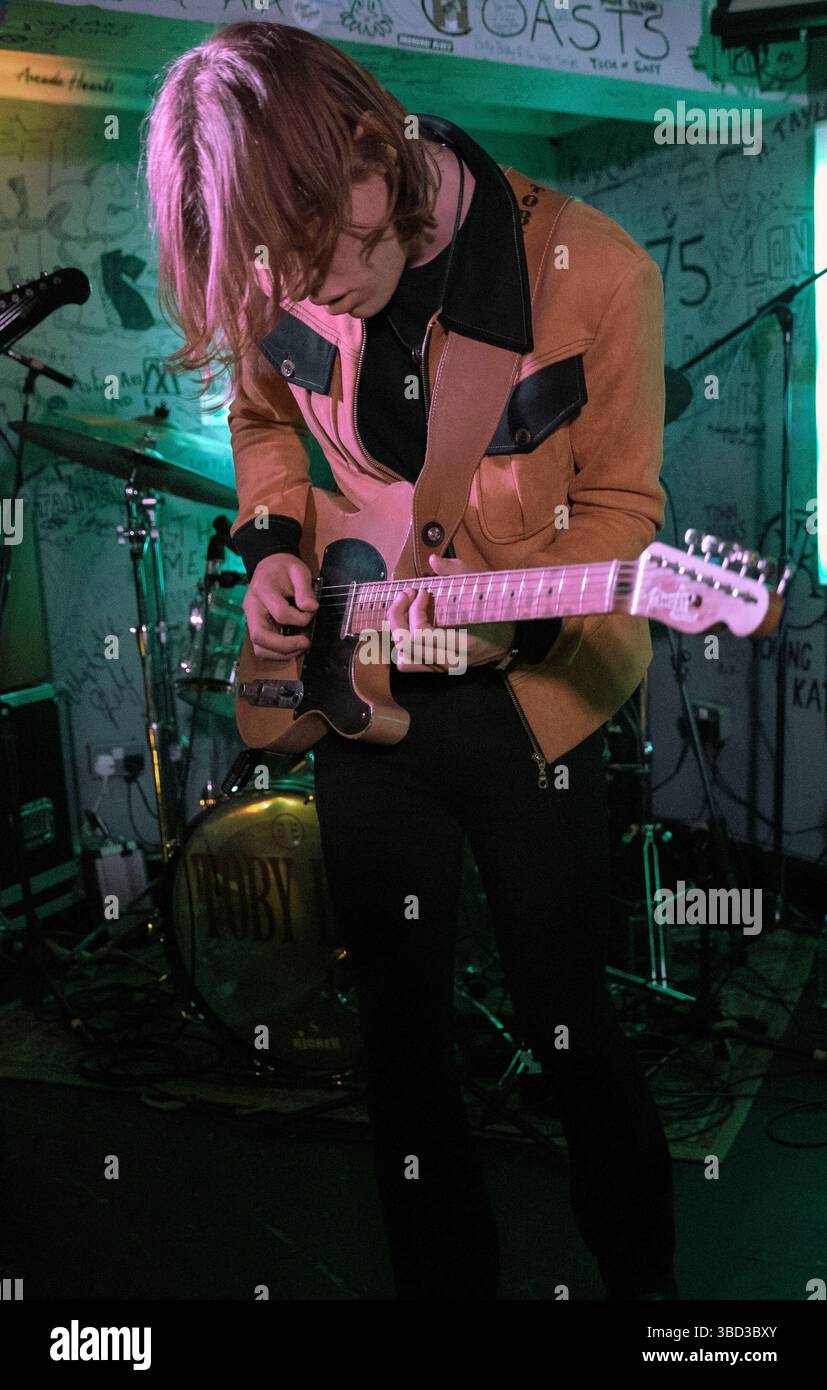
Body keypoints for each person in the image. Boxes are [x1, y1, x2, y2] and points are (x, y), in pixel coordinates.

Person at [145, 20, 677, 1301]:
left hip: (525, 716)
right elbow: (265, 417)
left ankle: (653, 1295)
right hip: (358, 706)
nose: (307, 299)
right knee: (398, 1041)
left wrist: (511, 622)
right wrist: (274, 540)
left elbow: (618, 519)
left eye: (318, 260)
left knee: (571, 1032)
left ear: (371, 163)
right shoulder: (292, 269)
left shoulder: (588, 274)